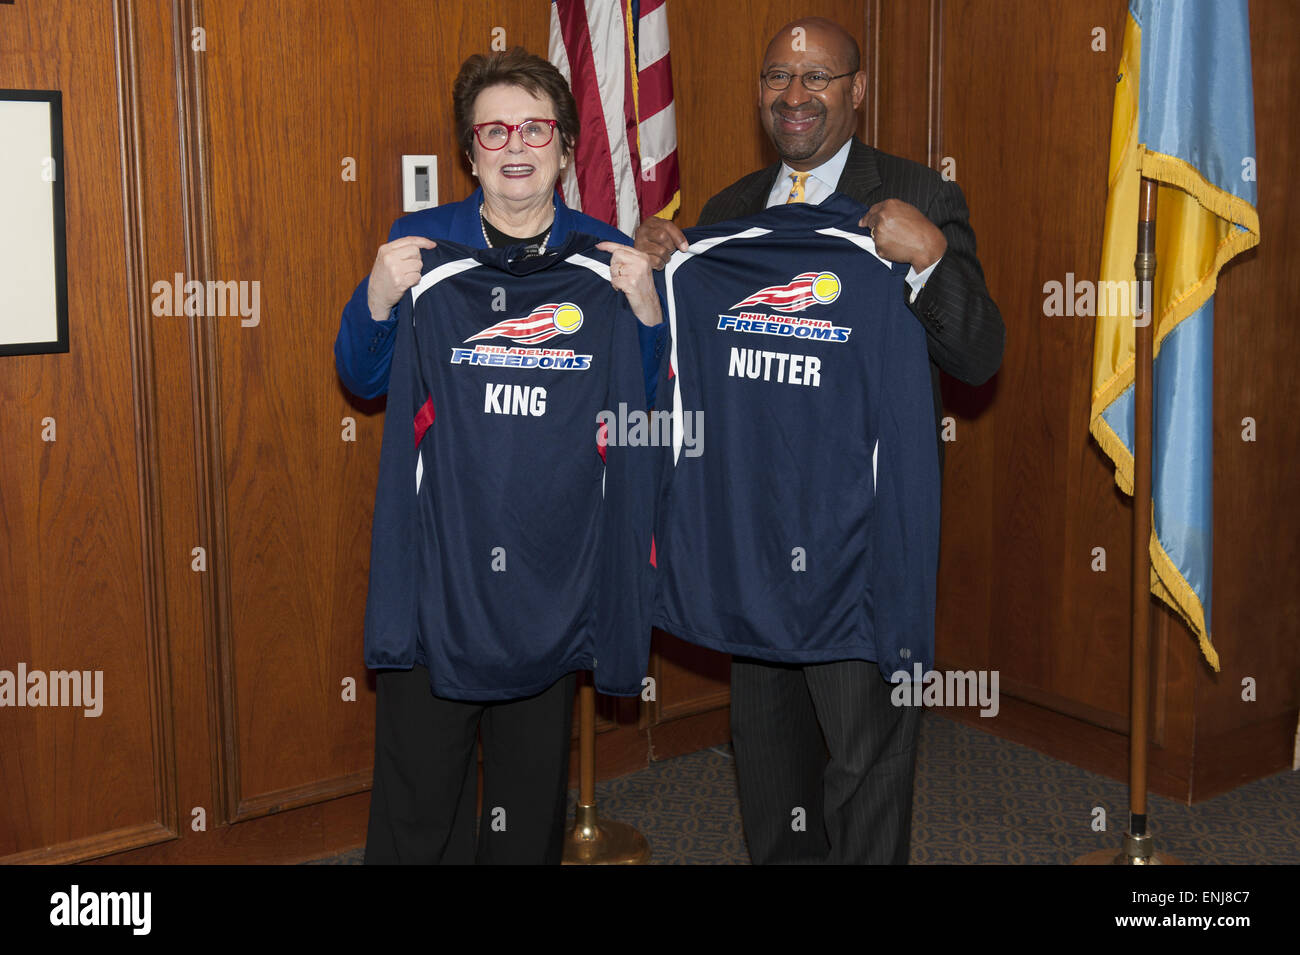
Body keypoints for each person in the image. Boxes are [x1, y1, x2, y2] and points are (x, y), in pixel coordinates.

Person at [635, 17, 1004, 864]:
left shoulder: (919, 194)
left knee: (866, 773)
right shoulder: (728, 213)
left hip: (861, 550)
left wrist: (931, 260)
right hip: (756, 544)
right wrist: (653, 270)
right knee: (771, 774)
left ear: (857, 90)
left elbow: (981, 352)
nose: (793, 95)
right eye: (776, 77)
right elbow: (678, 369)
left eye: (817, 77)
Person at [337, 47, 663, 865]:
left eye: (534, 129)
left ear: (565, 146)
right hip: (438, 576)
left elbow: (647, 415)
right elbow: (362, 377)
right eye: (494, 131)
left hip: (548, 581)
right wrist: (377, 297)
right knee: (419, 815)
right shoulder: (420, 248)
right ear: (470, 151)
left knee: (522, 818)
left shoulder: (605, 257)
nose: (515, 146)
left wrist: (648, 316)